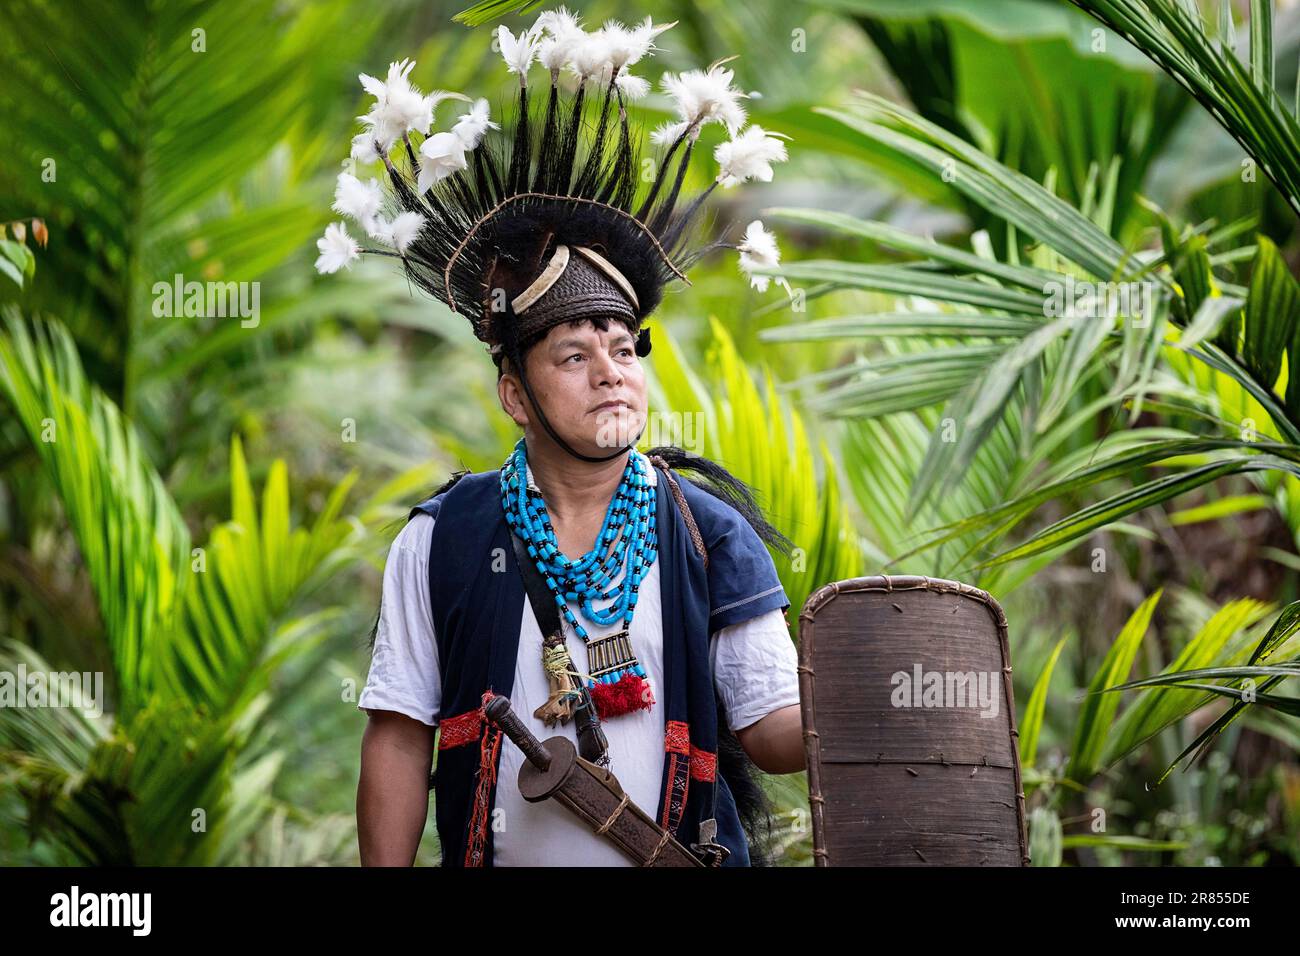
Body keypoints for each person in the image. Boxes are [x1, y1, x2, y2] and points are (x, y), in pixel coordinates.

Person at [322, 8, 803, 866]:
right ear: (515, 394)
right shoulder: (443, 541)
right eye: (574, 355)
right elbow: (398, 736)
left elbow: (773, 731)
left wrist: (884, 689)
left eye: (623, 350)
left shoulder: (708, 533)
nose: (611, 372)